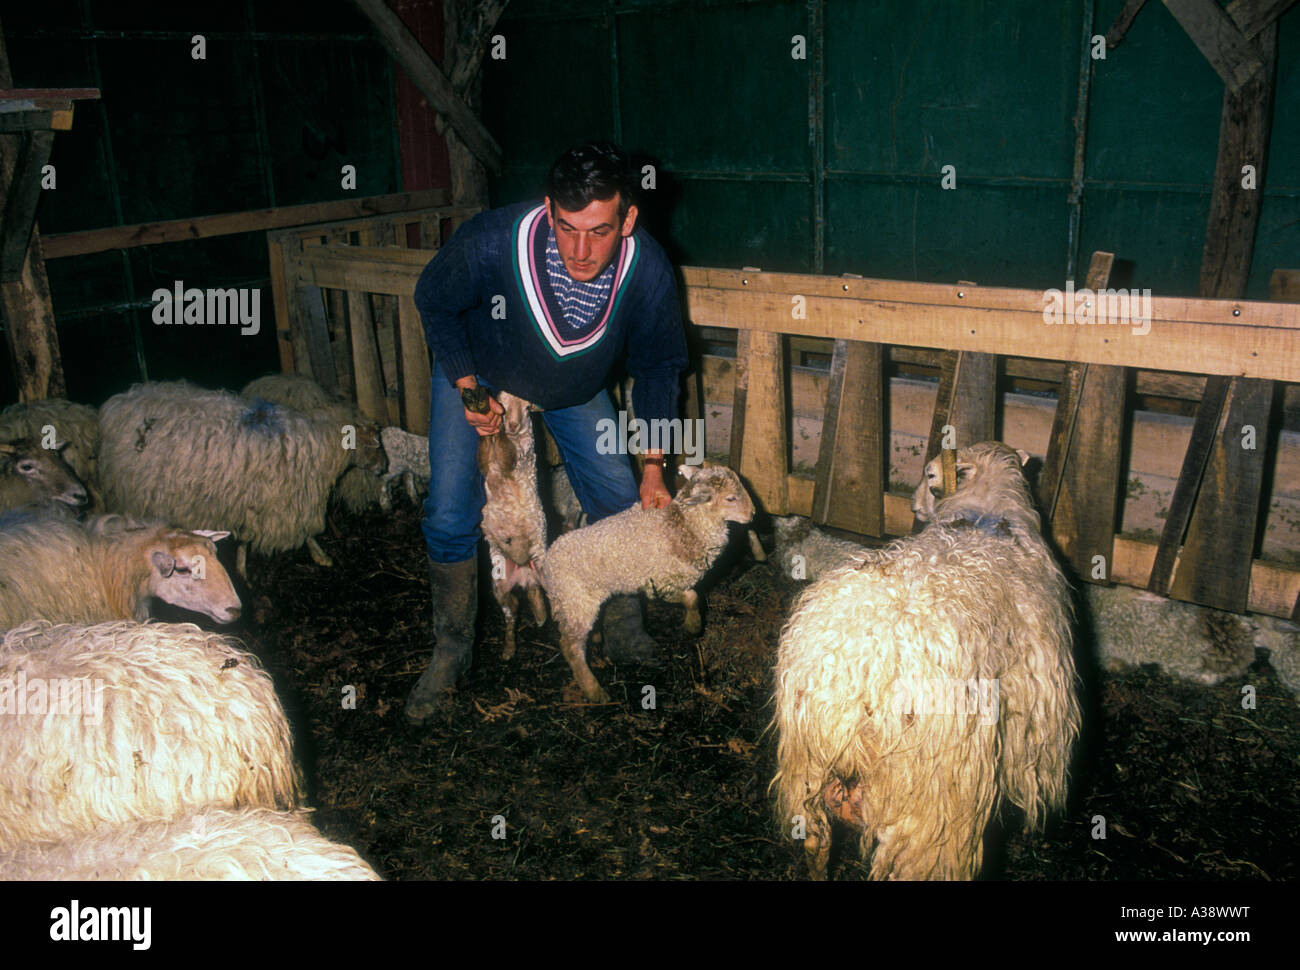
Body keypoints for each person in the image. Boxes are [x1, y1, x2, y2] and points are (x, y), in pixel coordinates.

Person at [407, 141, 689, 723]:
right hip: (481, 370)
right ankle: (453, 648)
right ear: (548, 209)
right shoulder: (492, 241)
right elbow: (433, 298)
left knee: (617, 494)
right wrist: (466, 386)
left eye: (600, 231)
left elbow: (659, 365)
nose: (582, 250)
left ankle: (623, 629)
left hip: (570, 382)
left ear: (629, 218)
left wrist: (656, 465)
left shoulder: (649, 270)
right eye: (566, 229)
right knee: (449, 509)